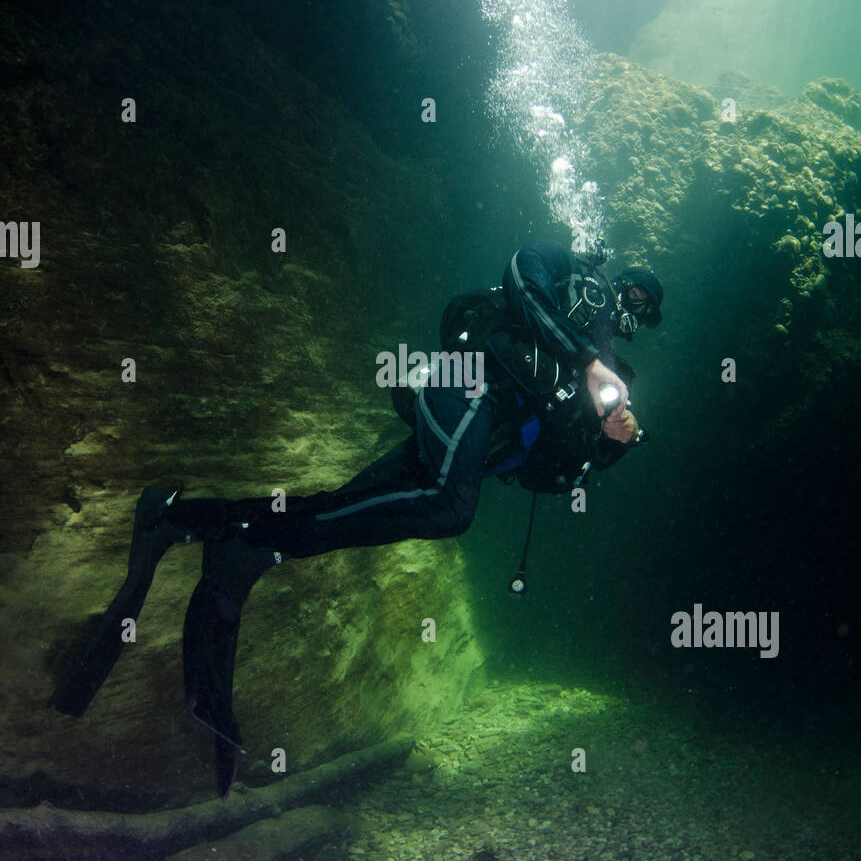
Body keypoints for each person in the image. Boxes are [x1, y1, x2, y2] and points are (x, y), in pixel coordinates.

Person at [50, 240, 663, 795]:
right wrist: (586, 360)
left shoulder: (608, 378)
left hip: (470, 438)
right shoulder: (567, 285)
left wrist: (613, 439)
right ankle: (237, 541)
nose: (632, 309)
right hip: (463, 385)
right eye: (634, 291)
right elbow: (522, 273)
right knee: (449, 509)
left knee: (336, 510)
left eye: (644, 311)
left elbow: (554, 469)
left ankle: (191, 522)